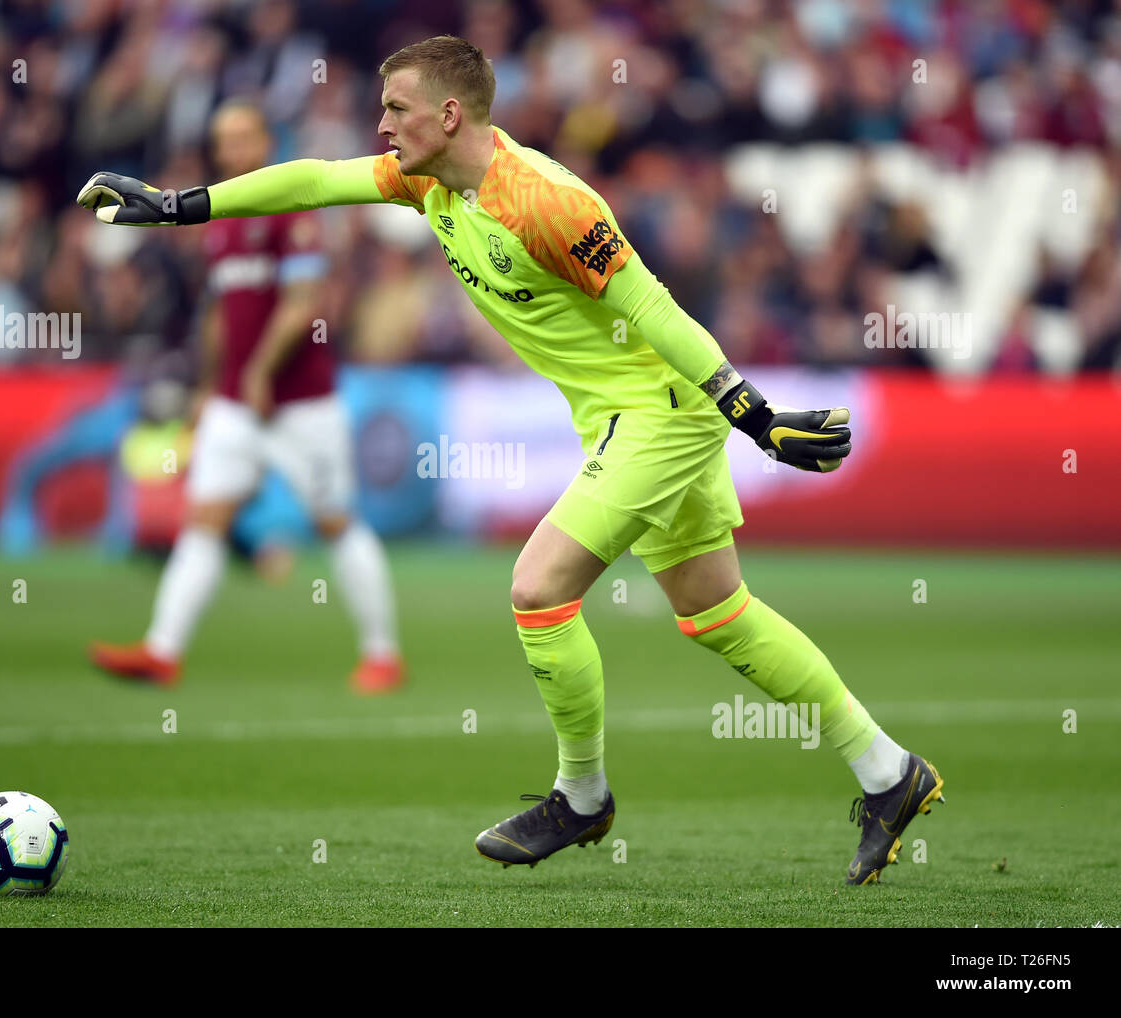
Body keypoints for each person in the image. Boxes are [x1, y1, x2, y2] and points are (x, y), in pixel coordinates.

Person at [77, 37, 943, 884]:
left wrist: (751, 413)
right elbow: (311, 179)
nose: (381, 126)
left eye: (396, 109)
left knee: (538, 588)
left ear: (449, 115)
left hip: (663, 414)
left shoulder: (546, 202)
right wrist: (177, 205)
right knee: (719, 616)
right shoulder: (426, 182)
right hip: (620, 418)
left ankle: (581, 795)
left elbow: (655, 307)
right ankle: (887, 771)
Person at [88, 100, 404, 696]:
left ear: (266, 140)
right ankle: (163, 651)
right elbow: (219, 313)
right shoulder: (222, 218)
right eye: (222, 141)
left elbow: (304, 299)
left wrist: (260, 371)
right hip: (235, 402)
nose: (232, 151)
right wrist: (213, 384)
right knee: (205, 521)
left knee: (336, 521)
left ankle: (383, 655)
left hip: (302, 400)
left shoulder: (293, 207)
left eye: (242, 138)